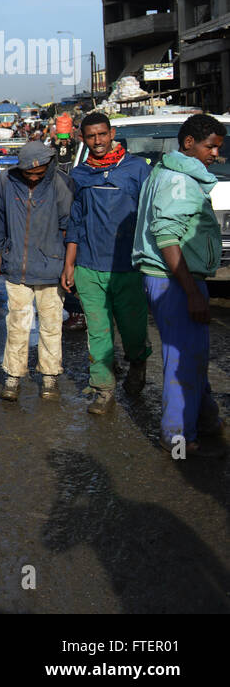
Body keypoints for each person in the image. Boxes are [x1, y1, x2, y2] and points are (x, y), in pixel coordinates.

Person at [132, 113, 226, 454]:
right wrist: (191, 292)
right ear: (189, 143)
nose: (216, 154)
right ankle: (177, 440)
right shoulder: (179, 181)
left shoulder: (169, 172)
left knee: (193, 355)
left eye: (218, 148)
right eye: (210, 147)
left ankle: (207, 421)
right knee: (181, 360)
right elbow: (167, 236)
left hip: (173, 279)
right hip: (174, 281)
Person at [62, 112, 152, 416]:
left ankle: (138, 364)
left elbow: (150, 217)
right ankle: (103, 389)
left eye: (102, 134)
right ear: (82, 138)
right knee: (98, 332)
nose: (98, 142)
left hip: (128, 266)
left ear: (111, 133)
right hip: (89, 266)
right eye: (91, 136)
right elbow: (75, 221)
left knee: (132, 329)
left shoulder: (138, 168)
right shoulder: (79, 174)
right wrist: (69, 264)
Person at [0, 140, 73, 401]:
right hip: (16, 268)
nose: (34, 178)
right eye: (29, 174)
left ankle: (50, 378)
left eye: (39, 173)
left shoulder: (61, 183)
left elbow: (69, 226)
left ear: (48, 166)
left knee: (50, 325)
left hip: (51, 266)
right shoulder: (6, 181)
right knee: (17, 324)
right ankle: (13, 377)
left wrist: (68, 265)